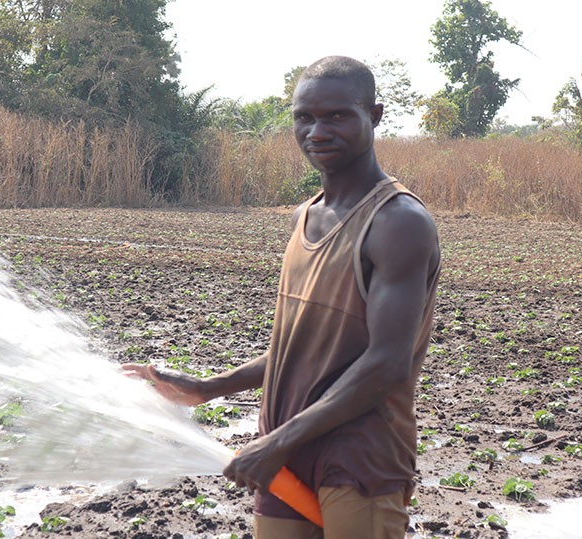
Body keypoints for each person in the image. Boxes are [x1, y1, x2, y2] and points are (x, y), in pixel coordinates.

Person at [124, 55, 441, 539]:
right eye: (305, 117)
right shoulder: (304, 216)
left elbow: (387, 364)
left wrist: (275, 444)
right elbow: (303, 351)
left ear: (373, 116)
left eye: (337, 115)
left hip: (359, 454)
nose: (318, 130)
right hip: (287, 448)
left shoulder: (398, 222)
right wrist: (207, 387)